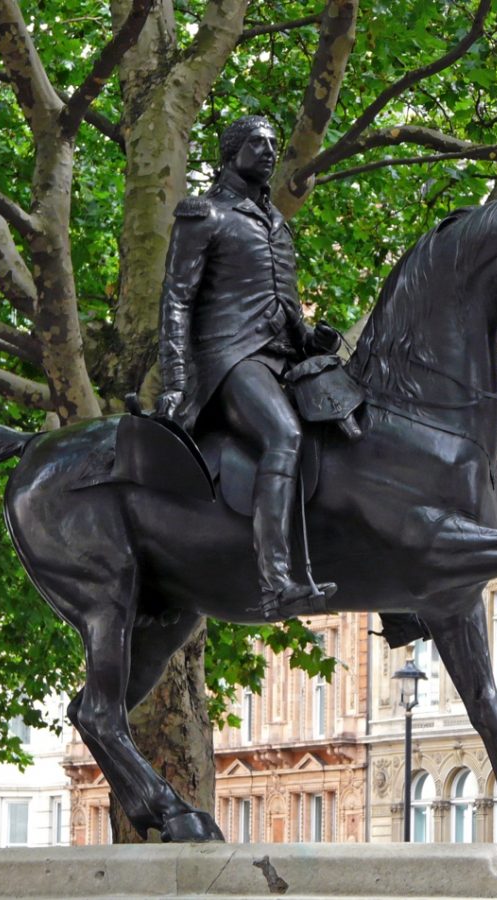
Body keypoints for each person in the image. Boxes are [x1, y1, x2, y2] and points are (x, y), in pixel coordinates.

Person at [154, 115, 340, 619]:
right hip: (231, 358)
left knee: (353, 424)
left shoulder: (275, 221)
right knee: (284, 435)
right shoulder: (205, 214)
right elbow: (176, 300)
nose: (269, 151)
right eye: (257, 143)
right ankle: (276, 583)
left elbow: (282, 304)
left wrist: (312, 339)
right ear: (231, 152)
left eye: (274, 143)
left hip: (284, 357)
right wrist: (175, 380)